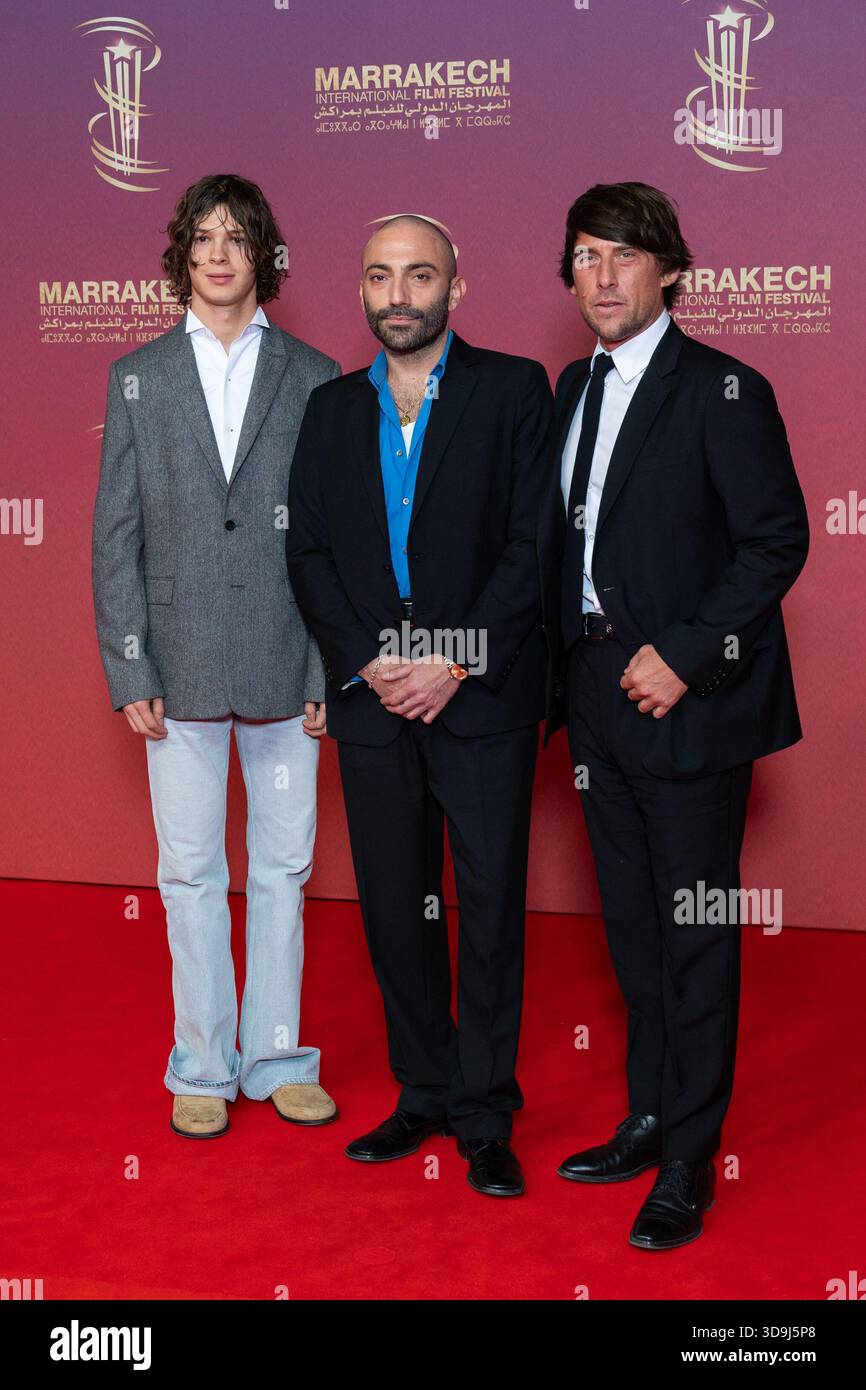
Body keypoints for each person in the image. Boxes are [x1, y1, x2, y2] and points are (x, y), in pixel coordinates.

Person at [538, 182, 809, 1247]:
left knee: (693, 932)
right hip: (595, 700)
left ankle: (689, 1161)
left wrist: (685, 657)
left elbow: (773, 541)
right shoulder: (570, 386)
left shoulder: (725, 389)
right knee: (632, 925)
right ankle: (647, 1113)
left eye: (623, 255)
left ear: (668, 272)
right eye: (584, 256)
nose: (600, 275)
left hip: (686, 705)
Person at [286, 214, 554, 1196]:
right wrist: (372, 662)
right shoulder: (326, 410)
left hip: (478, 699)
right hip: (371, 702)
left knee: (484, 906)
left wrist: (451, 659)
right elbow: (307, 554)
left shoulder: (513, 391)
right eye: (379, 277)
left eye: (418, 275)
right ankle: (423, 1090)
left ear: (456, 287)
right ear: (360, 291)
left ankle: (485, 1111)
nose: (397, 294)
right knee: (399, 906)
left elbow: (532, 546)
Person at [92, 173, 340, 1139]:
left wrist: (327, 670)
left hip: (287, 666)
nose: (220, 250)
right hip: (179, 669)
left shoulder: (318, 375)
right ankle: (201, 1060)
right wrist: (130, 669)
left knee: (283, 870)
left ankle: (277, 1056)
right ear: (183, 254)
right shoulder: (137, 375)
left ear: (263, 253)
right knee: (190, 873)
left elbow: (331, 539)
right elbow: (116, 536)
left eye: (238, 234)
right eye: (204, 234)